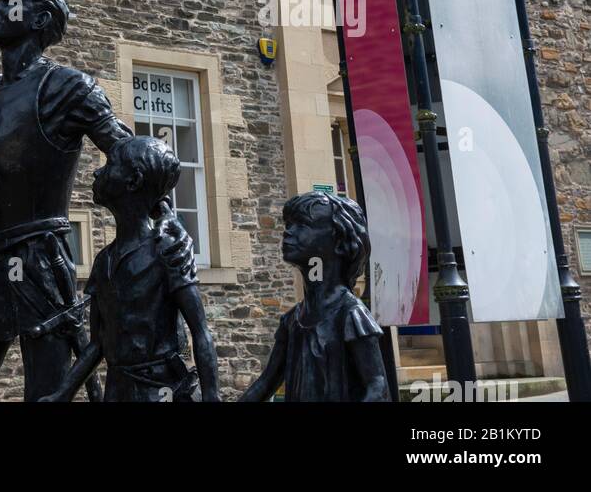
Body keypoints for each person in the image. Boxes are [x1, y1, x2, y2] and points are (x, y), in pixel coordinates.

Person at [0, 0, 191, 402]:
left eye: (8, 2)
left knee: (47, 392)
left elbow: (133, 156)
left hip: (38, 262)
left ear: (38, 19)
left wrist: (166, 224)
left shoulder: (68, 88)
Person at [42, 135, 220, 402]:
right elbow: (98, 344)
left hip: (161, 391)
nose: (98, 170)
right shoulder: (104, 261)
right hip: (119, 390)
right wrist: (62, 393)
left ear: (133, 180)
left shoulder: (166, 249)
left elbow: (200, 331)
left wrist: (212, 395)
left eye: (110, 164)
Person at [240, 191, 389, 403]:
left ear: (338, 241)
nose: (288, 232)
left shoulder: (351, 315)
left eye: (302, 225)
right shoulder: (292, 321)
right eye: (288, 224)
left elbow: (378, 388)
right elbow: (265, 383)